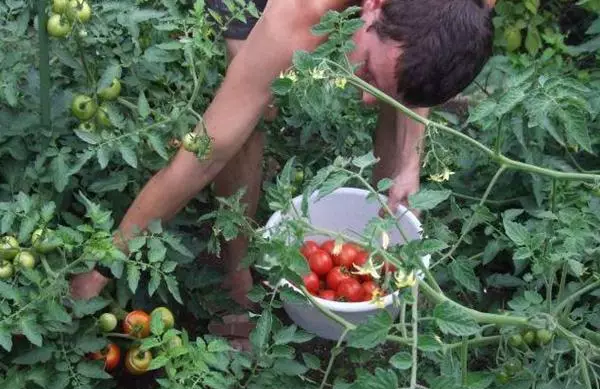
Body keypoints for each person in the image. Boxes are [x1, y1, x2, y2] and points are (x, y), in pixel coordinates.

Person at [70, 0, 496, 348]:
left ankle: (382, 260)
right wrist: (102, 266)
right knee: (243, 121)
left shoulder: (468, 9)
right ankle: (236, 279)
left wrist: (409, 163)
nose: (364, 99)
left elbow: (419, 61)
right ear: (374, 6)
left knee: (397, 95)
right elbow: (205, 153)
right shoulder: (297, 15)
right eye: (365, 69)